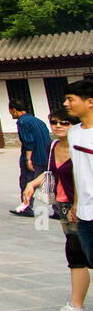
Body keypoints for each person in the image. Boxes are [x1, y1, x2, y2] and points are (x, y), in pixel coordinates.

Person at [22, 110, 86, 311]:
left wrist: (78, 203)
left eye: (64, 123)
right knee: (75, 252)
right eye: (54, 122)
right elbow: (51, 173)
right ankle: (77, 306)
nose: (58, 126)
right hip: (64, 206)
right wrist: (32, 183)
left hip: (84, 206)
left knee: (82, 252)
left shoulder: (83, 147)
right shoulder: (53, 147)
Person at [64, 80, 93, 272]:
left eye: (70, 99)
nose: (66, 104)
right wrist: (75, 203)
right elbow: (77, 169)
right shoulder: (73, 132)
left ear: (90, 101)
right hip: (85, 212)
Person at [9, 100, 50, 216]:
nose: (11, 114)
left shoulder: (22, 122)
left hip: (34, 157)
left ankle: (26, 207)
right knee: (50, 182)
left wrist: (28, 159)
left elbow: (28, 142)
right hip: (45, 156)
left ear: (14, 110)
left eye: (11, 111)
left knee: (27, 182)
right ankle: (58, 210)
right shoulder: (38, 121)